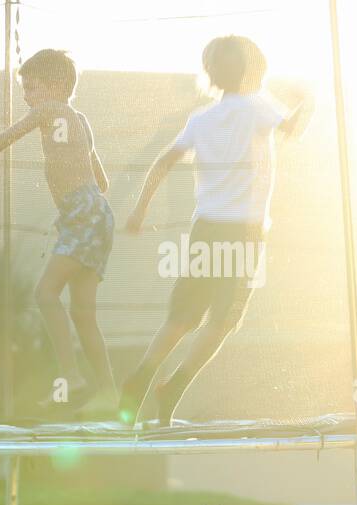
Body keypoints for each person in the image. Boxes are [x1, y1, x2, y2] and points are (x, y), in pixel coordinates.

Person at [121, 35, 312, 427]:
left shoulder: (201, 118)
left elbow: (164, 161)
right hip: (243, 233)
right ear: (254, 71)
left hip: (205, 228)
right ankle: (174, 386)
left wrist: (140, 208)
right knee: (224, 320)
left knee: (184, 316)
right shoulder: (259, 107)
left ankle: (139, 379)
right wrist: (308, 98)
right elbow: (294, 130)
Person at [0, 49, 117, 414]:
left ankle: (72, 378)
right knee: (83, 315)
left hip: (82, 213)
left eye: (32, 87)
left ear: (55, 86)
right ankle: (108, 392)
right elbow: (101, 181)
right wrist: (74, 184)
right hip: (98, 213)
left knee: (45, 294)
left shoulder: (47, 110)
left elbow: (4, 139)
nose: (27, 96)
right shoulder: (80, 119)